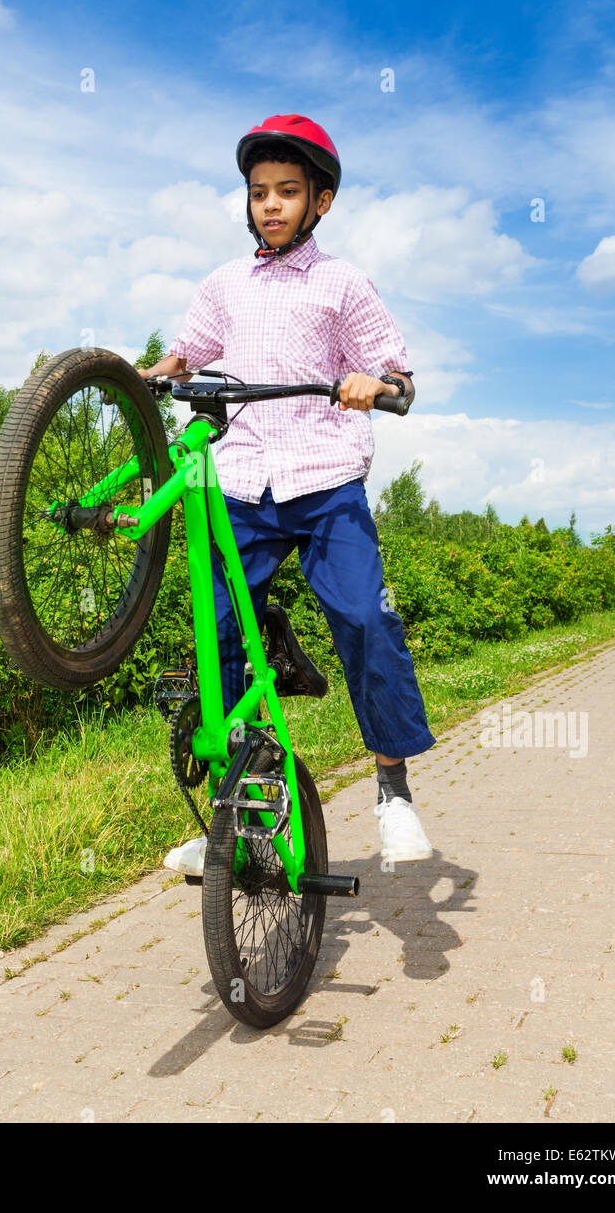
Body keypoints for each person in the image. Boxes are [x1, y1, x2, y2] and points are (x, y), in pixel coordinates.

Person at [138, 114, 436, 876]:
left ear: (320, 203)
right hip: (242, 480)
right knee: (217, 638)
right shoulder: (223, 284)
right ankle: (231, 816)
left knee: (365, 614)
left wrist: (381, 384)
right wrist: (153, 371)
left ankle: (393, 789)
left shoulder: (343, 282)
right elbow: (188, 352)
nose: (271, 204)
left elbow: (398, 369)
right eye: (259, 192)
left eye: (288, 192)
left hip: (324, 476)